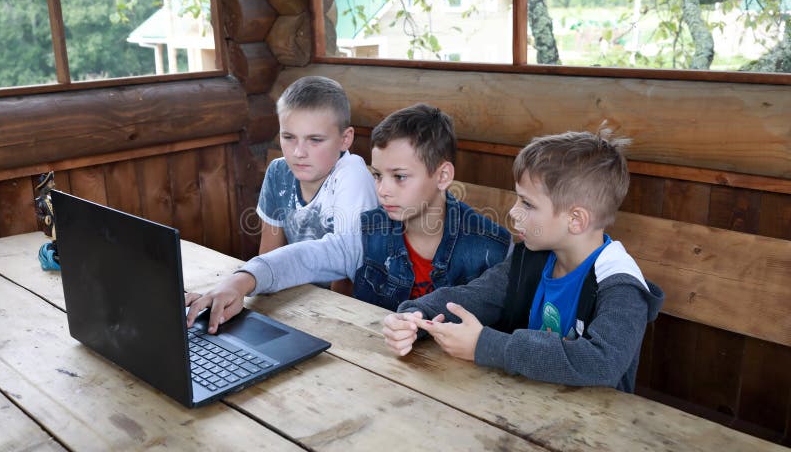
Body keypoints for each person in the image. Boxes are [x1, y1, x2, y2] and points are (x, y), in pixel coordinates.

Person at [186, 103, 511, 333]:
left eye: (399, 177)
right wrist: (240, 281)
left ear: (442, 176)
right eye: (378, 175)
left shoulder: (493, 248)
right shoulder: (370, 232)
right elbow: (307, 257)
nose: (383, 190)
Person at [382, 130, 664, 393]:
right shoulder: (531, 257)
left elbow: (601, 363)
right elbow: (476, 296)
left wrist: (486, 345)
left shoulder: (622, 286)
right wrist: (416, 317)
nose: (513, 212)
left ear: (576, 220)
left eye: (527, 204)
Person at [257, 76, 377, 294]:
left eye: (315, 140)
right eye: (289, 137)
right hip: (296, 293)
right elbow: (268, 255)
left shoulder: (352, 177)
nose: (298, 152)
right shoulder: (278, 172)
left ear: (345, 139)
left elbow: (347, 278)